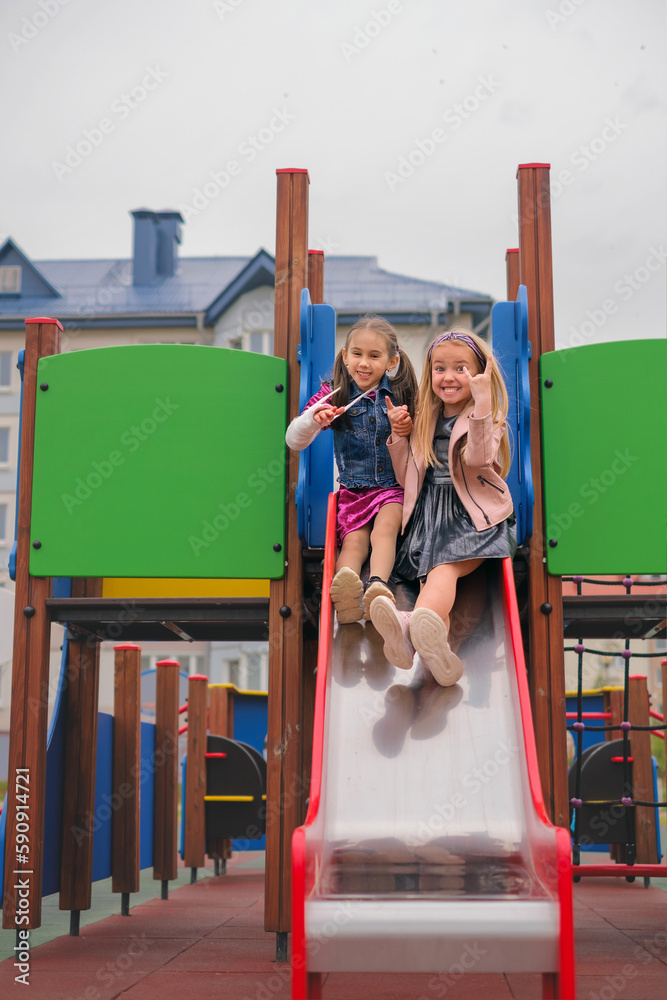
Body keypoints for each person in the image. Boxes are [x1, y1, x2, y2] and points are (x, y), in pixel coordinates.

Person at [370, 329, 516, 685]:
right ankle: (441, 658)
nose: (448, 377)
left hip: (470, 520)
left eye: (460, 368)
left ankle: (407, 627)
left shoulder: (489, 418)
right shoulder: (426, 419)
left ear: (480, 374)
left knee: (442, 572)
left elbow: (480, 460)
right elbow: (408, 479)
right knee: (431, 584)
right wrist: (398, 438)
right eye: (439, 368)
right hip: (427, 518)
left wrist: (481, 406)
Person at [285, 315, 418, 623]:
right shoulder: (335, 393)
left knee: (385, 530)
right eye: (357, 354)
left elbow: (418, 439)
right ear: (345, 357)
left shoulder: (400, 394)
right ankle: (345, 593)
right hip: (353, 492)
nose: (364, 363)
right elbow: (294, 440)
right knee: (354, 541)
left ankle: (378, 586)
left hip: (392, 488)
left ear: (391, 360)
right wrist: (313, 419)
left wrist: (404, 426)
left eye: (374, 356)